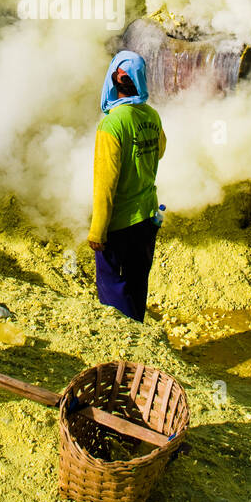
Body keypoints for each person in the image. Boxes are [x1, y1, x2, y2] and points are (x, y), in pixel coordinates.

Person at [87, 50, 166, 322]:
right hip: (147, 217)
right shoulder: (152, 116)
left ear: (113, 79)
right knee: (136, 283)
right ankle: (139, 336)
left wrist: (98, 229)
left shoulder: (112, 124)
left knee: (111, 289)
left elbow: (105, 183)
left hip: (119, 223)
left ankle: (123, 347)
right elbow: (160, 150)